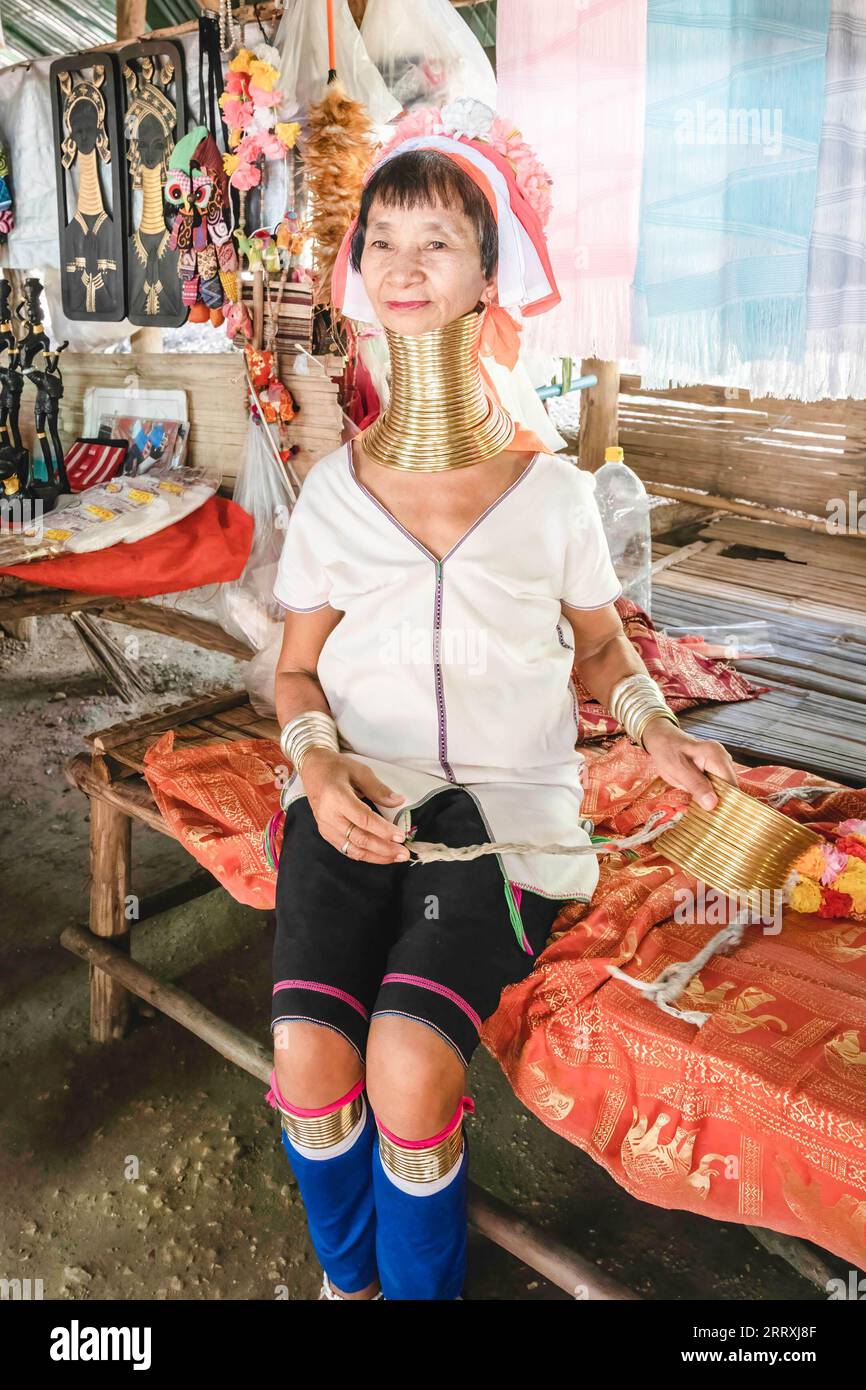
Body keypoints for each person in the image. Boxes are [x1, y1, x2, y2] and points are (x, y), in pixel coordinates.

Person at [265, 101, 737, 1301]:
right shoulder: (331, 493)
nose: (404, 266)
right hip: (352, 802)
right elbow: (295, 672)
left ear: (488, 274)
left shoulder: (551, 495)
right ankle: (347, 1287)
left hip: (506, 824)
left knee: (405, 1065)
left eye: (438, 241)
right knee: (310, 1064)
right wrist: (316, 768)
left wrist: (654, 726)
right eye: (381, 239)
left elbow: (595, 651)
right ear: (355, 267)